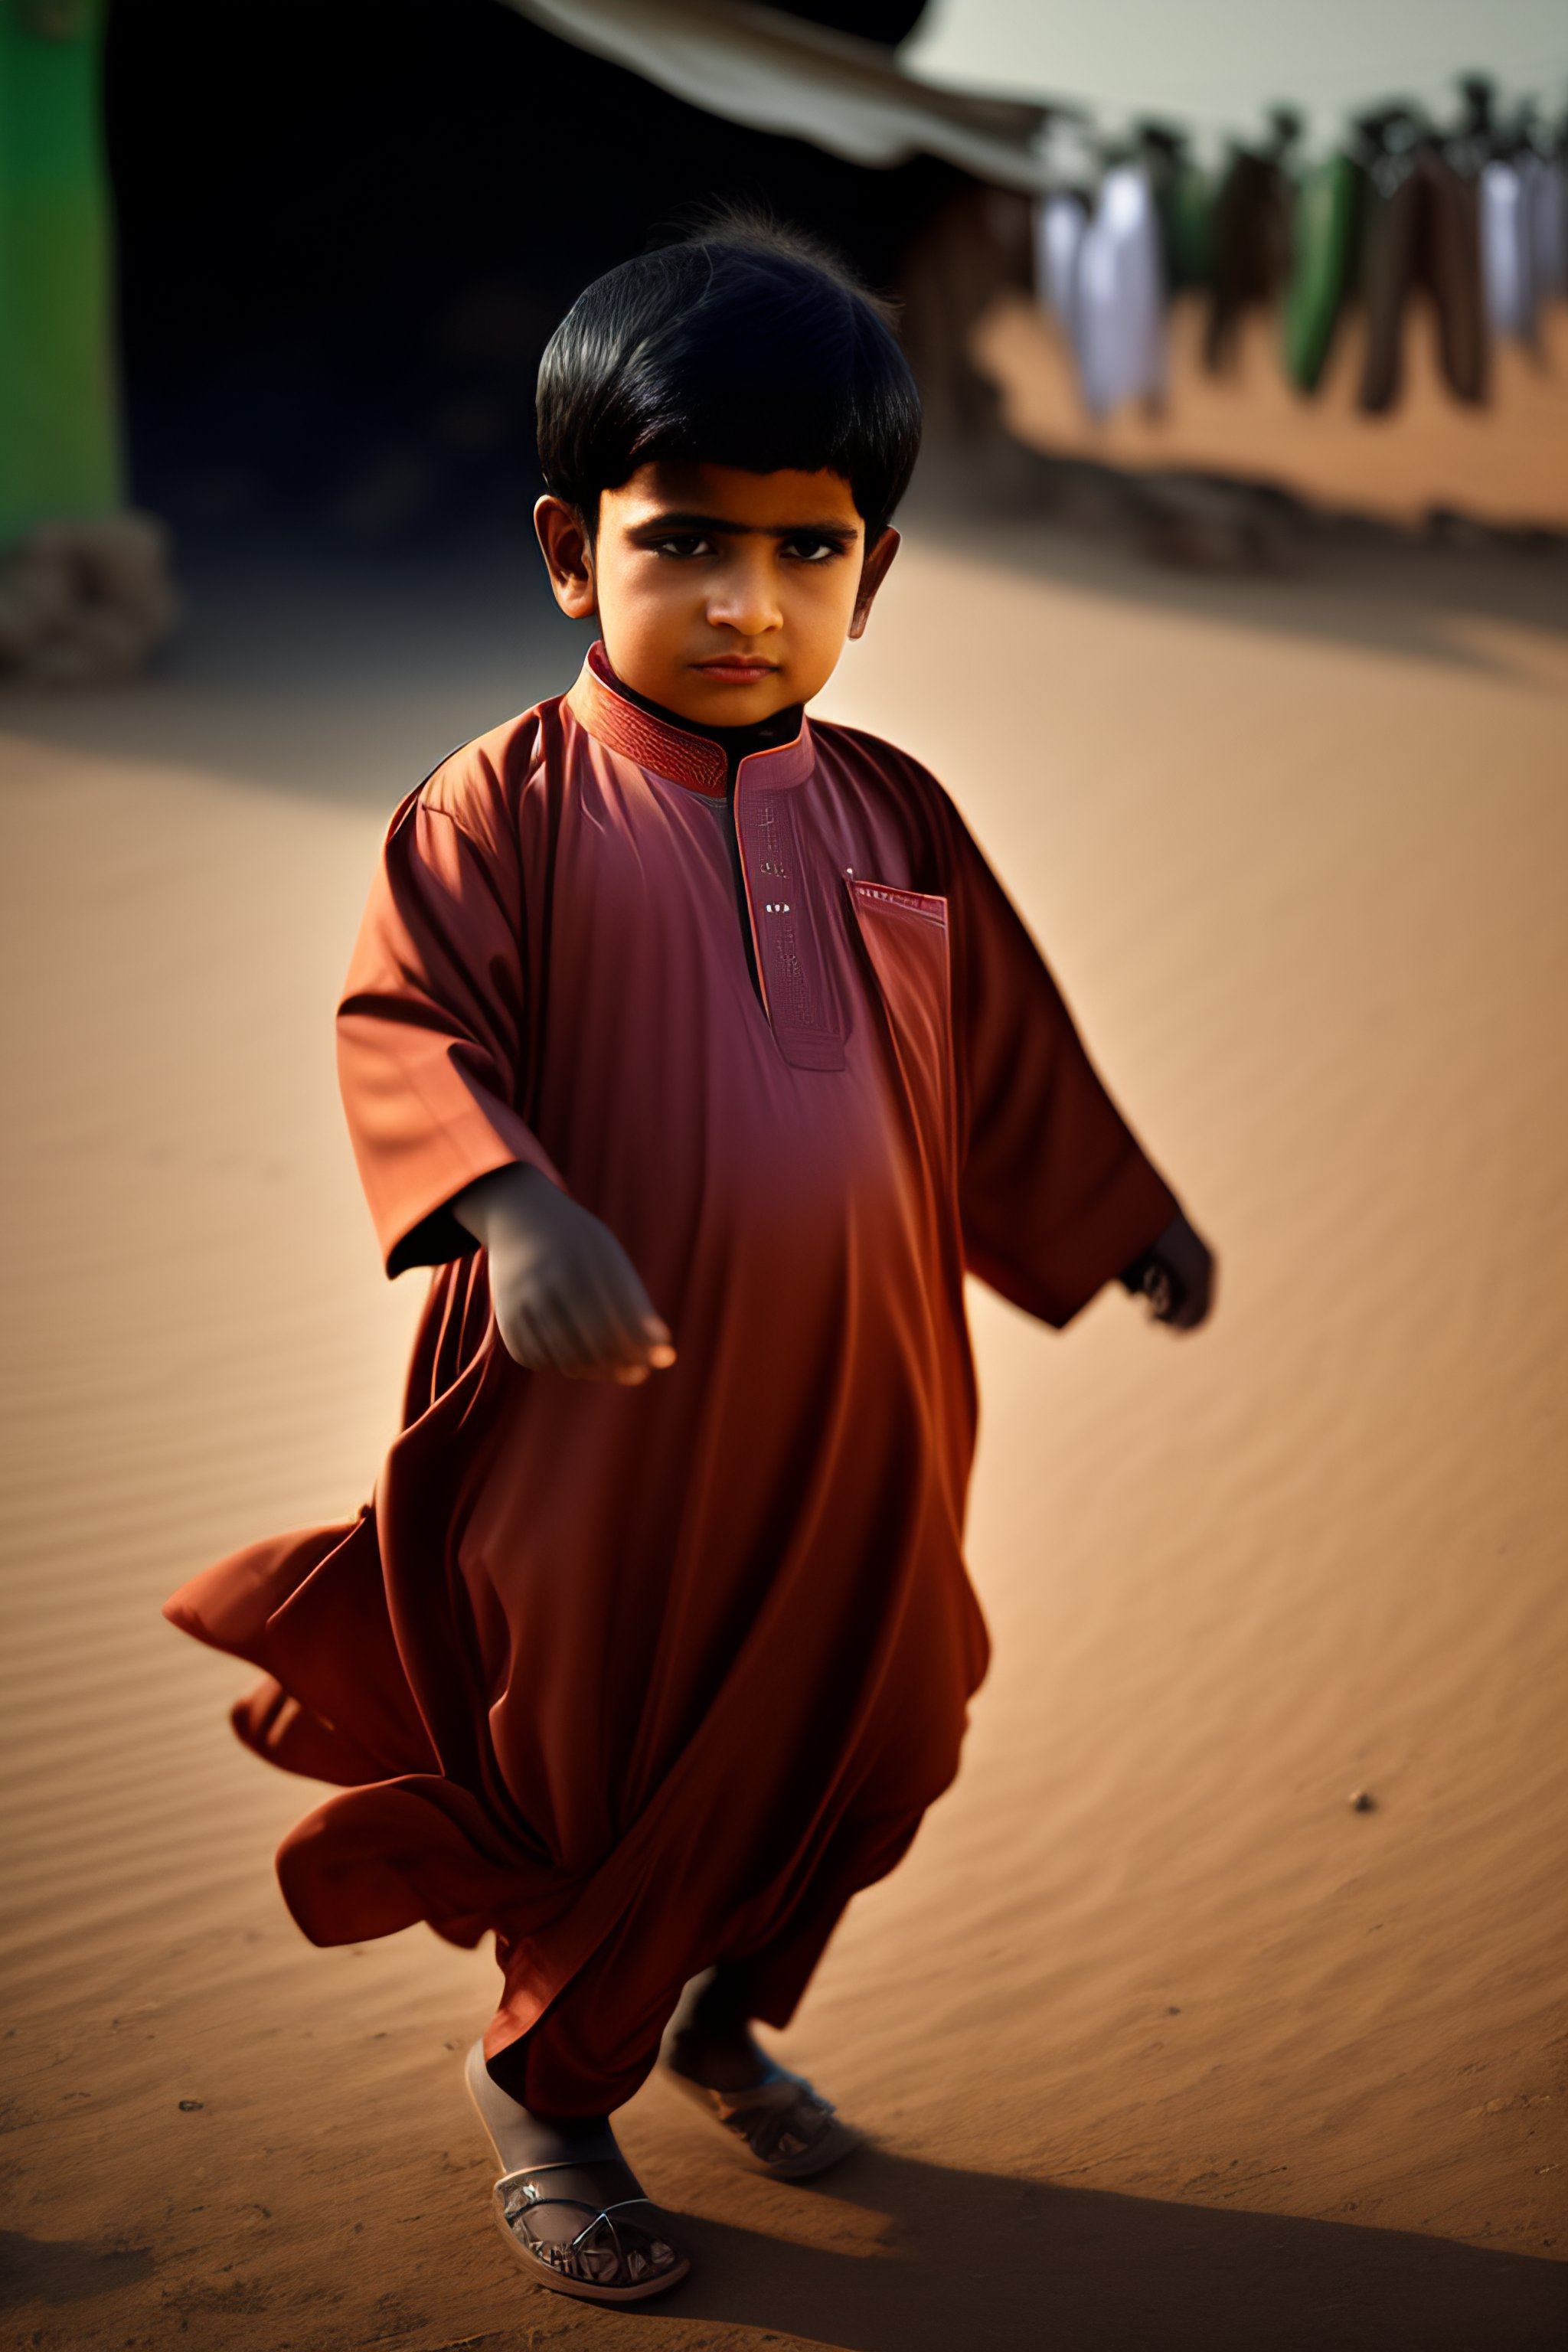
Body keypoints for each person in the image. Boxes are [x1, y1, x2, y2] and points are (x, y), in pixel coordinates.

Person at [164, 217, 1214, 2307]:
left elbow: (1006, 1053)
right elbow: (406, 1030)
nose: (749, 603)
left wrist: (1125, 1216)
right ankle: (550, 2089)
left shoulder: (896, 814)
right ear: (574, 550)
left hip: (879, 1413)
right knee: (617, 1755)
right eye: (688, 544)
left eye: (807, 553)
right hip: (601, 1437)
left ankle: (727, 2019)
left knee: (889, 1724)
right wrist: (515, 1207)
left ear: (875, 572)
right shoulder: (501, 813)